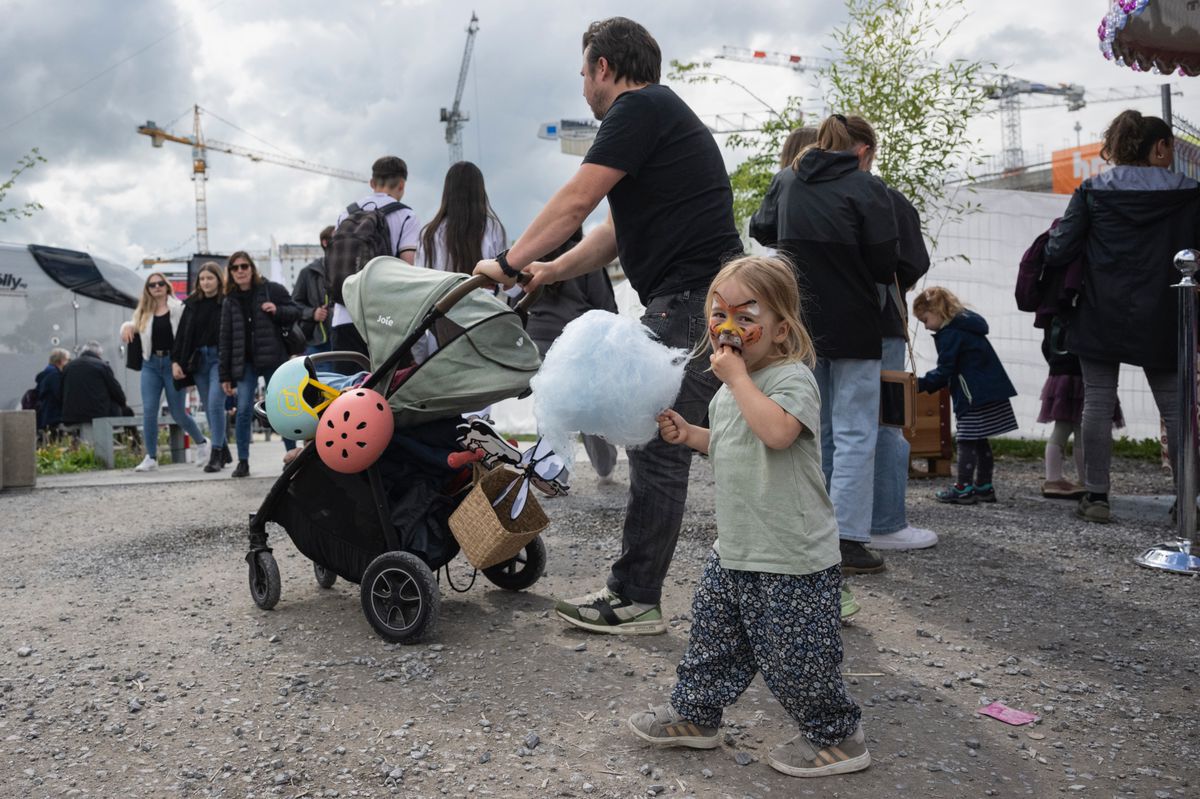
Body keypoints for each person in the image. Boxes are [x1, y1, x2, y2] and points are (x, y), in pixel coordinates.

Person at [474, 17, 743, 635]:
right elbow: (614, 232)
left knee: (659, 442)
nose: (582, 88)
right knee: (747, 438)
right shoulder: (661, 118)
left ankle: (634, 597)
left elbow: (577, 201)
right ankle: (815, 579)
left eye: (583, 73)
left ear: (603, 67)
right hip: (710, 295)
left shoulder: (636, 109)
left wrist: (507, 263)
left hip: (689, 300)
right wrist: (550, 269)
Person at [627, 256, 868, 778]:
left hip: (791, 555)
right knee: (711, 642)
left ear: (781, 329)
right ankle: (696, 714)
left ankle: (837, 735)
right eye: (719, 314)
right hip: (735, 547)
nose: (728, 328)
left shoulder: (791, 379)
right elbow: (734, 441)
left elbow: (777, 433)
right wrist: (690, 435)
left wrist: (737, 380)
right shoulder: (733, 388)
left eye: (745, 316)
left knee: (797, 658)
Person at [750, 114, 898, 576]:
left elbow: (761, 229)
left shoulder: (787, 180)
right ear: (858, 149)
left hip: (800, 322)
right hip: (855, 322)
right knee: (855, 431)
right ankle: (848, 539)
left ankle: (806, 531)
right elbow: (885, 261)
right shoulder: (866, 187)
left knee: (808, 428)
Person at [1043, 109, 1200, 524]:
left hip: (1100, 309)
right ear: (1160, 147)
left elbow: (1059, 250)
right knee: (1175, 409)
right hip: (1167, 312)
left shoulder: (1092, 191)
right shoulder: (1190, 193)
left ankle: (1096, 496)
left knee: (1096, 401)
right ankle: (1187, 501)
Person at [525, 228, 621, 482]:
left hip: (538, 341)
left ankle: (553, 475)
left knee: (550, 408)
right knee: (591, 406)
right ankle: (604, 465)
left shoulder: (534, 258)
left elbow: (519, 303)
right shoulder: (583, 257)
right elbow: (606, 306)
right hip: (578, 340)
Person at [913, 287, 1017, 504]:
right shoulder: (968, 326)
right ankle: (984, 486)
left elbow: (945, 370)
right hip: (989, 390)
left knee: (966, 439)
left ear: (937, 311)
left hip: (972, 395)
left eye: (925, 320)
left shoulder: (950, 334)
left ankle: (963, 488)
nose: (925, 326)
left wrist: (919, 384)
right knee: (980, 439)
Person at [329, 156, 422, 359]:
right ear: (401, 184)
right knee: (392, 379)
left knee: (349, 379)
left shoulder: (346, 214)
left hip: (343, 317)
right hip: (384, 319)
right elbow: (407, 268)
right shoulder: (406, 216)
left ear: (372, 183)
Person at [218, 251, 300, 477]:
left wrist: (277, 310)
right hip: (245, 364)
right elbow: (225, 338)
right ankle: (243, 461)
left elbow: (296, 311)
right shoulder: (230, 300)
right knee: (244, 410)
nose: (240, 271)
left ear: (252, 268)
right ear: (230, 272)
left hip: (273, 359)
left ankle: (292, 457)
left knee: (281, 408)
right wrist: (225, 375)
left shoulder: (271, 289)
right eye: (235, 268)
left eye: (244, 266)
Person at [120, 272, 209, 472]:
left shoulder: (178, 308)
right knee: (149, 410)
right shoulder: (143, 311)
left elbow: (187, 334)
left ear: (167, 286)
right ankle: (151, 457)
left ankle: (202, 443)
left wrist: (183, 364)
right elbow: (132, 326)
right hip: (150, 364)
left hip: (173, 363)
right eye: (152, 285)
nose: (157, 287)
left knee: (178, 413)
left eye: (160, 283)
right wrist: (126, 326)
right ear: (148, 289)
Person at [172, 261, 230, 472]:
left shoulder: (226, 302)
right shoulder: (191, 304)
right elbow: (182, 335)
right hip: (199, 361)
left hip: (219, 359)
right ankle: (223, 450)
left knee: (215, 404)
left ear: (218, 280)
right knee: (209, 407)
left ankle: (216, 454)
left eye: (210, 278)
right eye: (202, 279)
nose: (205, 282)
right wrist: (176, 361)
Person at [417, 161, 506, 274]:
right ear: (479, 190)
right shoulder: (492, 228)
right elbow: (504, 272)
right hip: (484, 286)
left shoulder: (429, 233)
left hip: (442, 286)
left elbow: (421, 274)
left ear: (447, 191)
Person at [61, 341, 129, 425]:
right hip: (97, 414)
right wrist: (123, 402)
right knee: (126, 411)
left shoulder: (68, 366)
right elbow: (115, 390)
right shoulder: (102, 365)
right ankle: (129, 433)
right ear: (98, 354)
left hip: (71, 416)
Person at [293, 226, 335, 355]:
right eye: (338, 237)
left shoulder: (352, 270)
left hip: (346, 340)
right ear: (325, 242)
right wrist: (313, 313)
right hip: (319, 344)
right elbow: (294, 305)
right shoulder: (308, 273)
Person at [34, 348, 70, 435]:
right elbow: (59, 395)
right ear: (60, 361)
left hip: (45, 416)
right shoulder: (55, 376)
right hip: (54, 417)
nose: (68, 363)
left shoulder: (45, 374)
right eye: (67, 360)